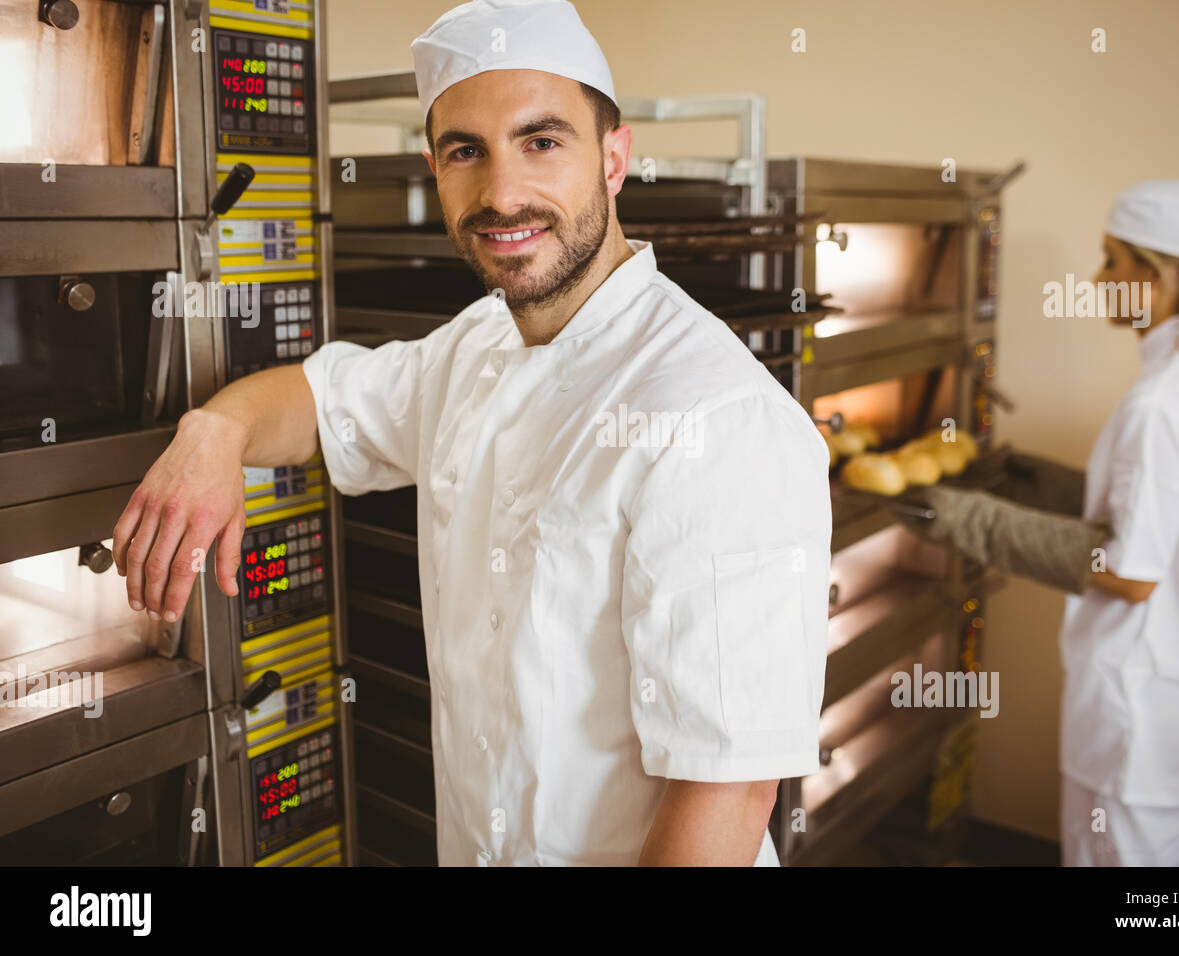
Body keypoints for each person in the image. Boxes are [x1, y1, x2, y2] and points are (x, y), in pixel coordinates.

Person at [110, 0, 831, 866]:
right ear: (434, 168)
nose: (501, 194)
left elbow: (728, 787)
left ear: (614, 157)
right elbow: (323, 398)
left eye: (541, 140)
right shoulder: (478, 345)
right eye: (465, 151)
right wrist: (215, 428)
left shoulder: (719, 419)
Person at [902, 180, 1179, 866]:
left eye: (1111, 261)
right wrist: (1033, 482)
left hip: (1141, 706)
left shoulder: (1163, 403)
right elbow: (1165, 522)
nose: (1098, 280)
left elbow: (1130, 572)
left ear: (1156, 279)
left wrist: (969, 520)